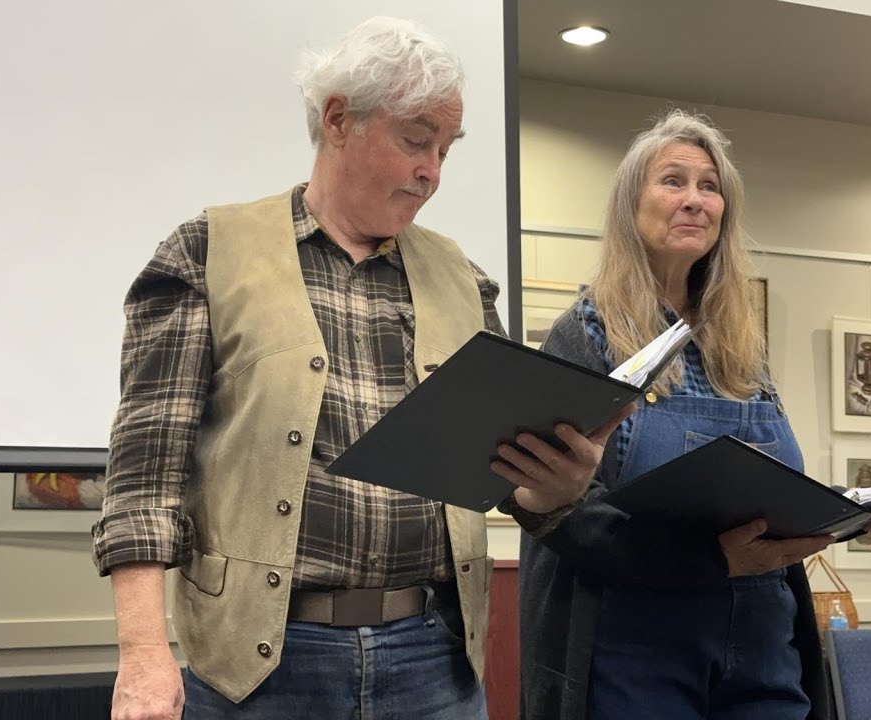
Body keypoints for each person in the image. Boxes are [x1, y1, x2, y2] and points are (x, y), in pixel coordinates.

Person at [92, 17, 622, 720]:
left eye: (445, 148)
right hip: (262, 667)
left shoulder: (464, 280)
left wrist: (557, 487)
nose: (432, 171)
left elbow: (505, 475)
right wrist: (143, 654)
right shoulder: (208, 253)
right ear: (339, 119)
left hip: (433, 661)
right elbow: (144, 476)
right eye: (415, 140)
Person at [505, 110, 871, 720]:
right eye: (673, 181)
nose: (695, 200)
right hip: (637, 642)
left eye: (710, 187)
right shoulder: (587, 335)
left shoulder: (740, 347)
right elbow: (564, 515)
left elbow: (765, 495)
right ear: (631, 205)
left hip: (762, 638)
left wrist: (850, 511)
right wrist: (713, 561)